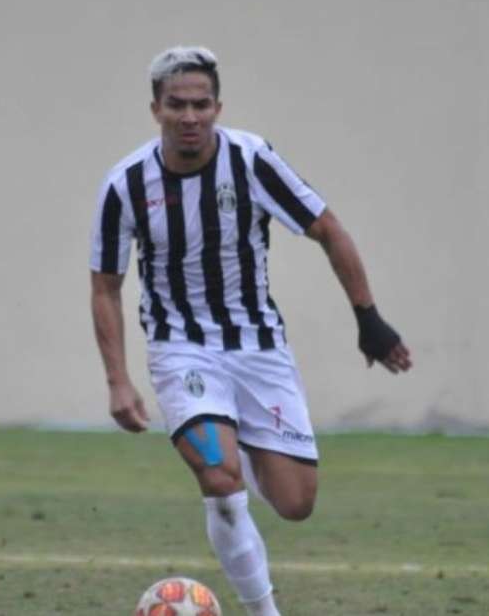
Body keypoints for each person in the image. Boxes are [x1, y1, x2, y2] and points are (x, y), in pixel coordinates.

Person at [89, 46, 411, 616]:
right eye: (176, 105)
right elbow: (106, 287)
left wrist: (368, 318)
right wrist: (118, 379)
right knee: (219, 478)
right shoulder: (126, 185)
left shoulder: (252, 160)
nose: (190, 116)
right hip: (182, 349)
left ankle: (242, 453)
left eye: (201, 104)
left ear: (218, 107)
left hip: (259, 347)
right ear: (156, 109)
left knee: (295, 503)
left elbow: (328, 228)